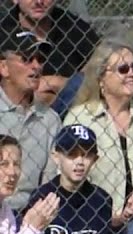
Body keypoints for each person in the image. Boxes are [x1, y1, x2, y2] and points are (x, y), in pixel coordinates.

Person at [63, 40, 133, 234]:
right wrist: (108, 214)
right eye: (123, 69)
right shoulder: (81, 118)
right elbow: (66, 176)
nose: (132, 73)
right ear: (101, 77)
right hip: (94, 214)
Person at [0, 0, 99, 115]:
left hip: (67, 107)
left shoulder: (74, 28)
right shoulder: (3, 29)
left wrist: (57, 83)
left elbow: (99, 66)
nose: (39, 1)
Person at [0, 30, 58, 211]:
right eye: (27, 59)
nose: (36, 66)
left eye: (40, 59)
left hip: (31, 213)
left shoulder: (50, 119)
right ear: (4, 67)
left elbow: (49, 182)